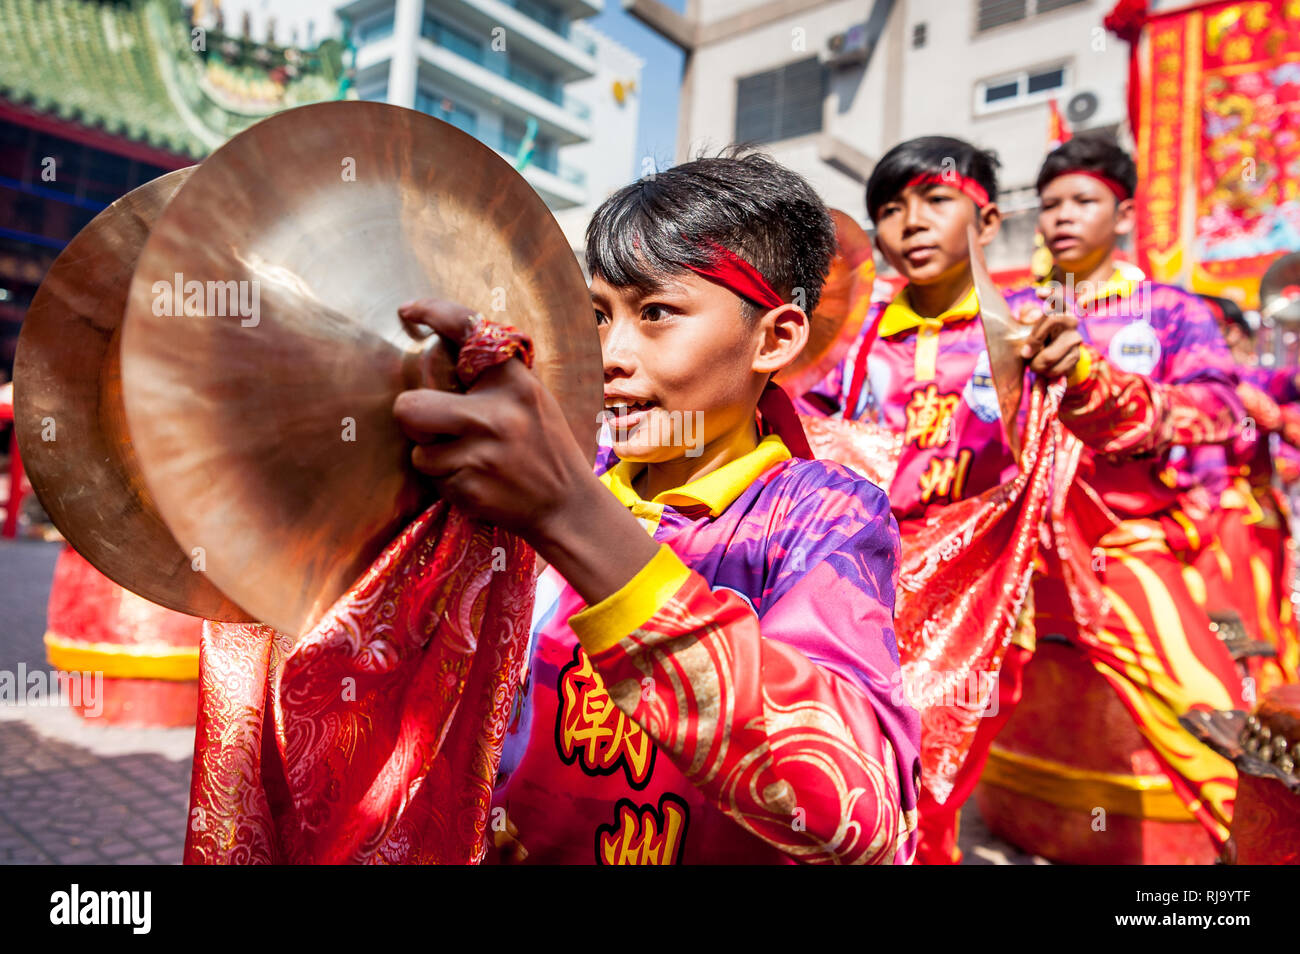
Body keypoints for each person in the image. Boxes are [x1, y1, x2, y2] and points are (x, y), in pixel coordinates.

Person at [393, 152, 922, 864]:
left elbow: (858, 812)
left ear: (776, 336)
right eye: (596, 316)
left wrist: (569, 516)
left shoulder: (821, 516)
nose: (609, 353)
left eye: (656, 313)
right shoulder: (561, 472)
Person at [798, 135, 1096, 863]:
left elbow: (1093, 420)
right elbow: (802, 432)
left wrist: (1072, 373)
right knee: (857, 771)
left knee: (932, 777)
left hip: (982, 597)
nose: (913, 223)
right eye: (892, 210)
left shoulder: (1033, 327)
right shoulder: (853, 333)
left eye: (937, 200)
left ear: (988, 221)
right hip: (864, 584)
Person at [1005, 134, 1250, 847]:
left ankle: (1256, 840)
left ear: (1123, 214)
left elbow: (1222, 409)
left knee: (1203, 707)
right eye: (1049, 204)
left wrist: (1110, 394)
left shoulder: (1169, 309)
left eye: (1083, 201)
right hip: (1015, 548)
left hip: (1121, 539)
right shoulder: (1008, 311)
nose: (1061, 217)